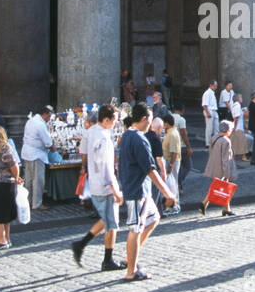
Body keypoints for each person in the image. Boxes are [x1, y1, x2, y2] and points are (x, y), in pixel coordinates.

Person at [118, 103, 177, 280]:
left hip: (138, 188)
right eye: (150, 121)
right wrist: (167, 192)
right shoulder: (139, 139)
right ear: (144, 119)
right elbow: (150, 169)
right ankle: (131, 271)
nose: (150, 125)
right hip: (137, 191)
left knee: (153, 218)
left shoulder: (127, 134)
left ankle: (130, 258)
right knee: (135, 228)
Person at [70, 105, 128, 271]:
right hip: (105, 185)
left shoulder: (91, 132)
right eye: (115, 120)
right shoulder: (104, 139)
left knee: (107, 220)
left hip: (95, 183)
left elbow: (84, 152)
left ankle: (81, 244)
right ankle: (106, 259)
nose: (116, 124)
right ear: (106, 120)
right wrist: (115, 189)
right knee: (112, 224)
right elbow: (107, 166)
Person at [200, 121, 238, 217]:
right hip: (222, 168)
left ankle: (226, 209)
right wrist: (226, 174)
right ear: (228, 130)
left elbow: (211, 151)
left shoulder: (214, 137)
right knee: (221, 188)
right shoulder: (226, 141)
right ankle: (204, 204)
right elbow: (226, 159)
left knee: (220, 188)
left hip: (214, 165)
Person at [21, 106, 53, 213]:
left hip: (27, 153)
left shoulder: (31, 121)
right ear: (44, 114)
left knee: (29, 179)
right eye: (49, 116)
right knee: (38, 180)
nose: (49, 118)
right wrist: (53, 147)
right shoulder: (40, 124)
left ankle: (28, 201)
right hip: (36, 154)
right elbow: (48, 142)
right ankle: (37, 203)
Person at [230, 94, 249, 161]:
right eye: (241, 97)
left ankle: (234, 155)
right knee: (242, 142)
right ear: (238, 99)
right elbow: (236, 117)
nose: (242, 98)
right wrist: (235, 127)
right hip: (238, 127)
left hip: (237, 127)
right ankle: (243, 156)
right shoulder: (237, 106)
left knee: (235, 142)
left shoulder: (234, 106)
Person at [201, 79, 219, 147]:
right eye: (214, 86)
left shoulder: (212, 93)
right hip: (209, 110)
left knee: (216, 127)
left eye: (216, 86)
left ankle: (215, 141)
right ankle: (208, 143)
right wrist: (207, 112)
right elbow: (204, 104)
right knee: (209, 128)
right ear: (211, 85)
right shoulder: (207, 93)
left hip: (214, 110)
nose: (215, 87)